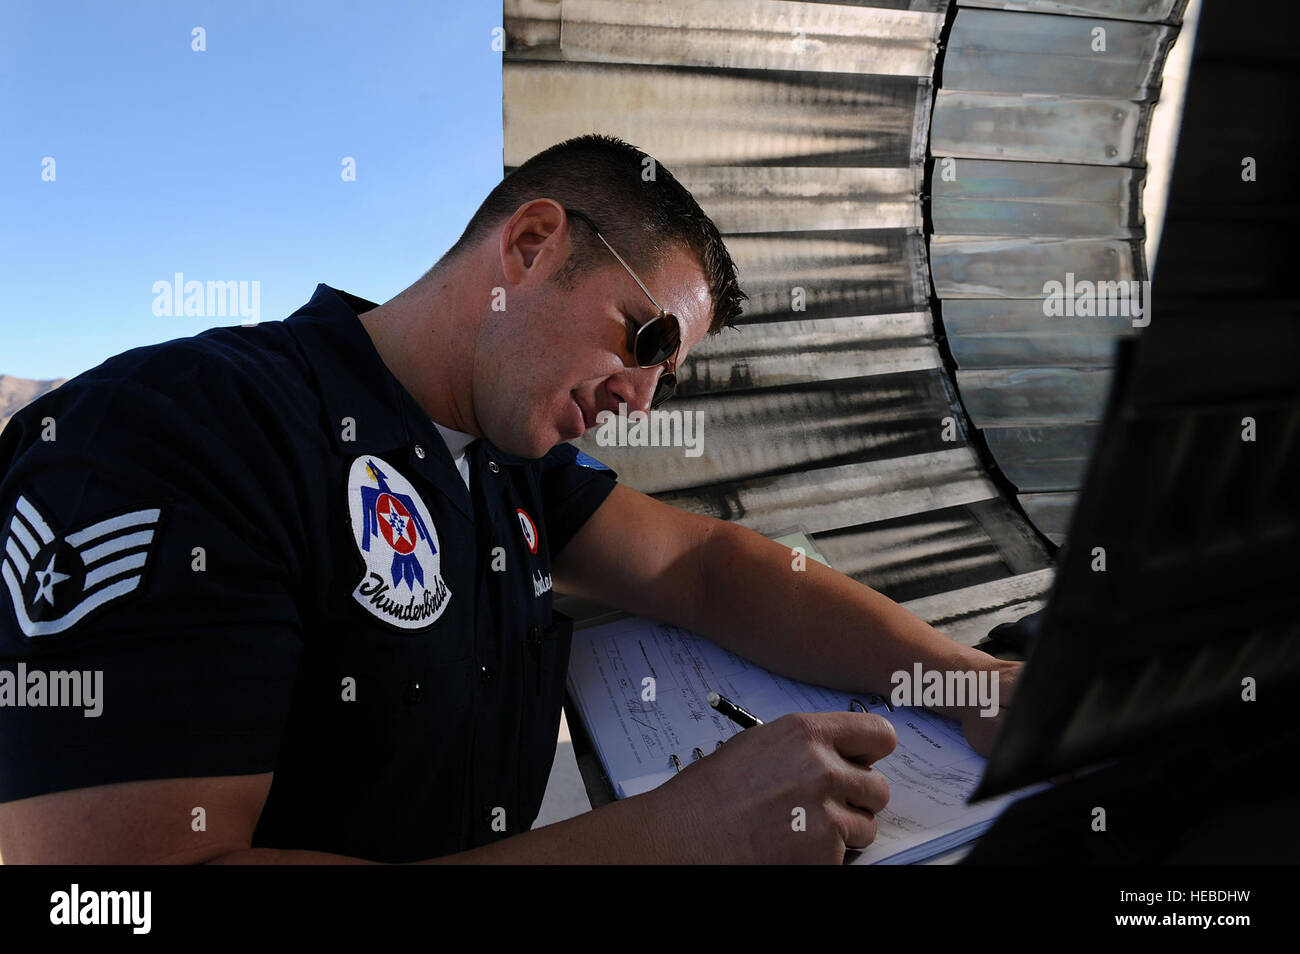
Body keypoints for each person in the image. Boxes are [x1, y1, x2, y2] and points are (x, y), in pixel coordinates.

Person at [0, 134, 1019, 864]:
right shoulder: (185, 430)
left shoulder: (502, 460)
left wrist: (962, 681)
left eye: (670, 375)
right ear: (530, 243)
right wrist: (667, 841)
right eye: (648, 339)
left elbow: (702, 569)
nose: (639, 397)